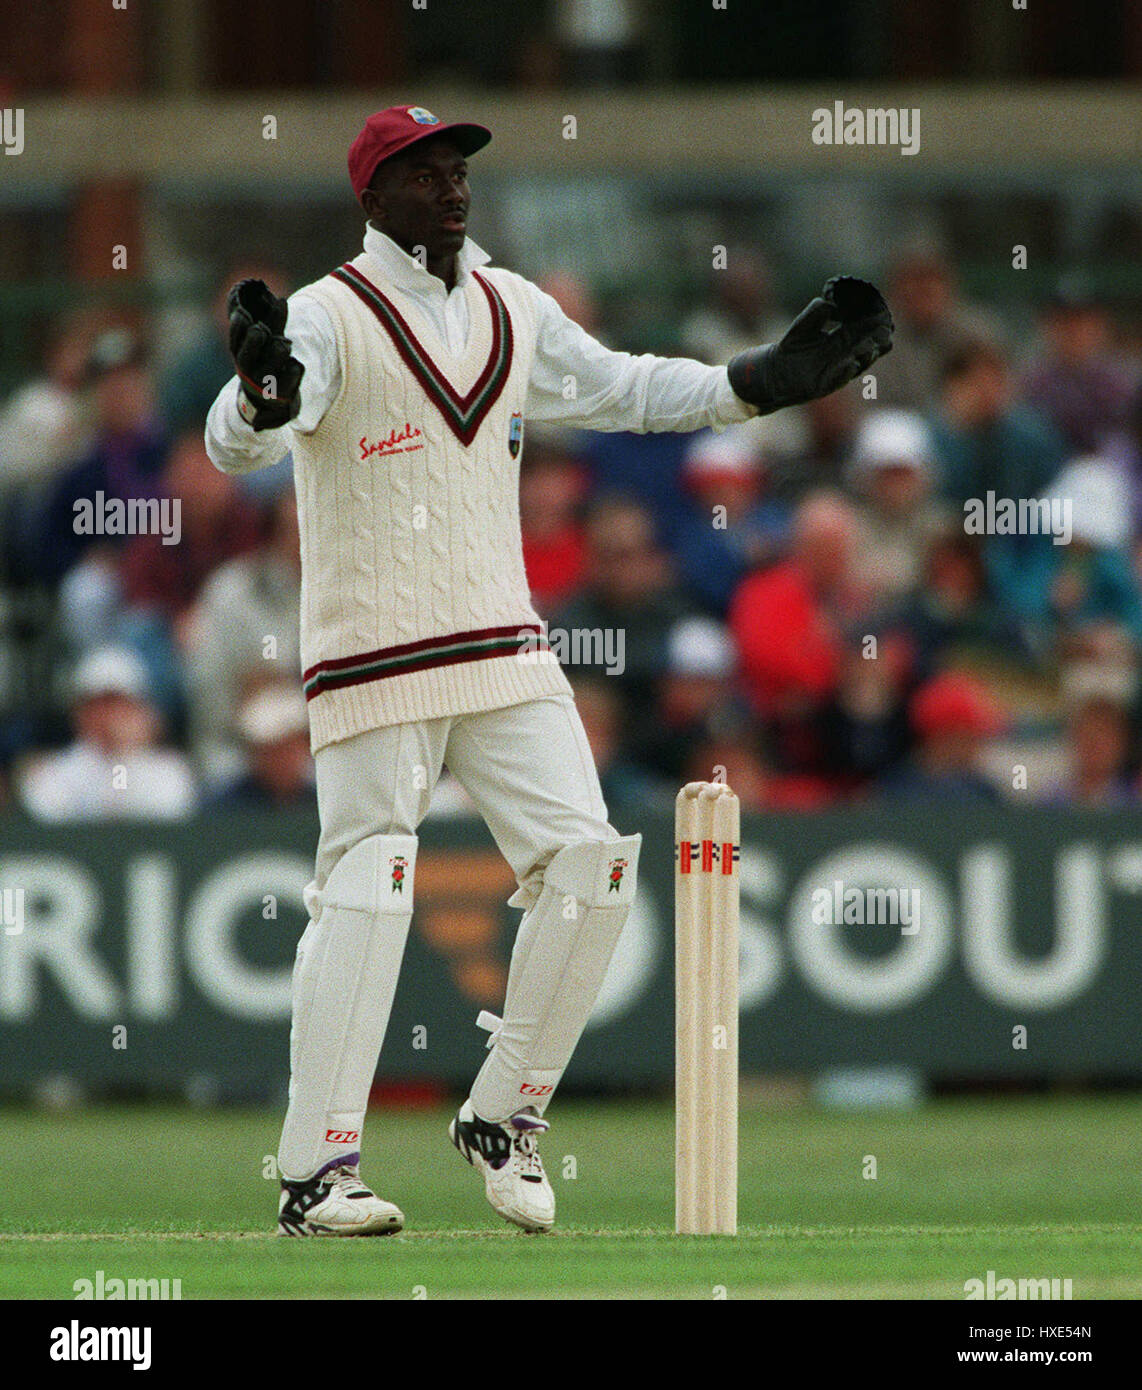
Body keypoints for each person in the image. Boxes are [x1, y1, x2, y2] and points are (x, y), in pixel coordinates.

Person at [204, 103, 892, 1238]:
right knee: (366, 888)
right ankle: (316, 1172)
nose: (454, 187)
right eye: (425, 173)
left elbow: (623, 388)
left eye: (460, 168)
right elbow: (249, 436)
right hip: (372, 649)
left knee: (594, 866)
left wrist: (752, 384)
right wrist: (255, 395)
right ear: (373, 196)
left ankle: (503, 1115)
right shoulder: (326, 316)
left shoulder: (511, 305)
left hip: (502, 643)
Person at [17, 646, 197, 822]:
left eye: (117, 703)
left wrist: (122, 756)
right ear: (79, 710)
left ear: (138, 708)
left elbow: (154, 815)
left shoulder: (169, 771)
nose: (109, 715)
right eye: (98, 704)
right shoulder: (52, 773)